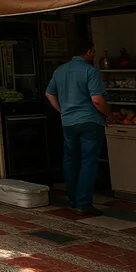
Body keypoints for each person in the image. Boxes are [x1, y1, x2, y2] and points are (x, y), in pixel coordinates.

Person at [45, 39, 111, 216]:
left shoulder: (60, 71)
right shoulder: (91, 71)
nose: (94, 54)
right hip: (90, 121)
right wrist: (109, 114)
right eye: (94, 51)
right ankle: (83, 203)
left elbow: (49, 93)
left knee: (70, 160)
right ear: (89, 52)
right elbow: (97, 100)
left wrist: (61, 110)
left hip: (68, 122)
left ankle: (74, 199)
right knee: (88, 161)